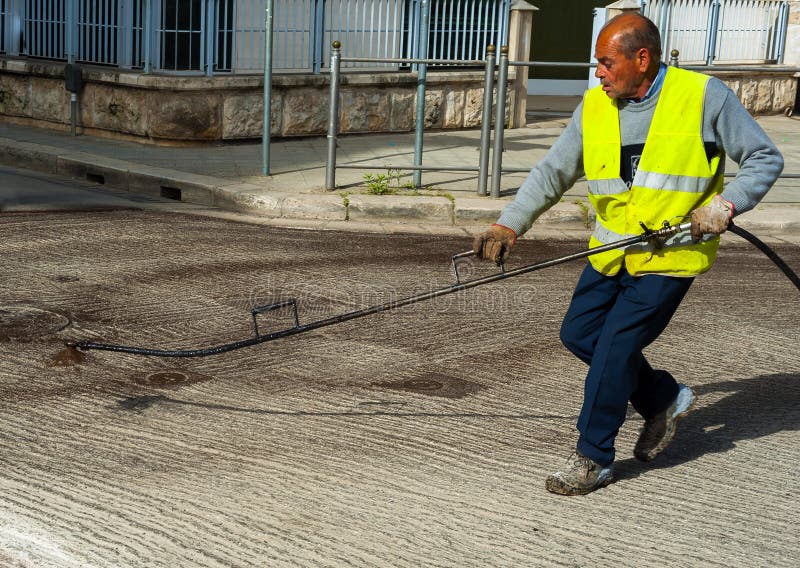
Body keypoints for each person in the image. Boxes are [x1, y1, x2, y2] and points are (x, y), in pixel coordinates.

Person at [473, 12, 783, 496]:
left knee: (615, 349)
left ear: (642, 59)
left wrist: (726, 203)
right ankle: (663, 397)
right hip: (613, 250)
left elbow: (765, 156)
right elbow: (554, 170)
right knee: (579, 334)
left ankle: (593, 457)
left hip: (671, 254)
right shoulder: (596, 106)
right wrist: (509, 222)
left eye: (605, 62)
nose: (598, 72)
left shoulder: (703, 97)